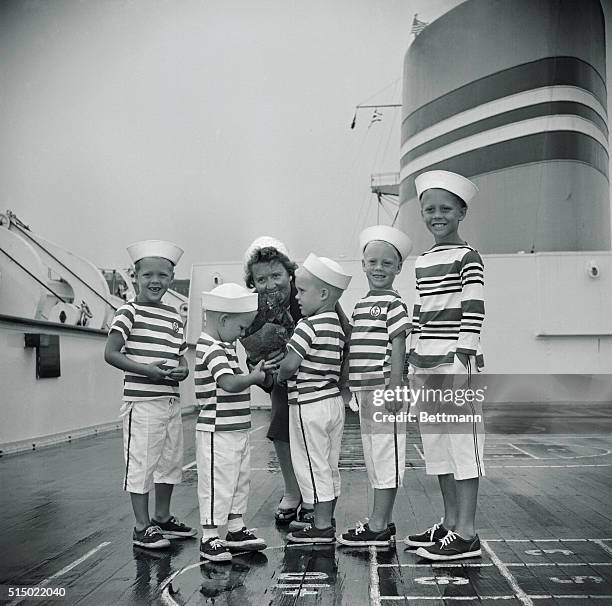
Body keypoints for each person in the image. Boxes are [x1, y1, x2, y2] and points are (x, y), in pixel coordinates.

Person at [404, 169, 485, 561]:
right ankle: (451, 524)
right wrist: (413, 359)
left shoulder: (468, 257)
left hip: (455, 363)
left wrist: (463, 353)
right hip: (426, 363)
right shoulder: (422, 261)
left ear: (461, 211)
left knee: (463, 446)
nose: (437, 215)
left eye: (446, 208)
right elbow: (421, 312)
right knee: (438, 448)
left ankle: (467, 532)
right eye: (430, 209)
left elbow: (473, 307)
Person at [104, 240, 196, 549]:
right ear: (135, 277)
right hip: (142, 404)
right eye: (148, 275)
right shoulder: (127, 312)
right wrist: (147, 371)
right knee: (141, 463)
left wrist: (182, 369)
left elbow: (180, 355)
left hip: (170, 401)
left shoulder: (173, 316)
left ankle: (162, 518)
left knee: (169, 462)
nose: (155, 281)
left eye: (162, 275)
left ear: (171, 278)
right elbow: (111, 353)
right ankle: (141, 527)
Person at [337, 226, 412, 547]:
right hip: (366, 393)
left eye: (386, 263)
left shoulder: (394, 304)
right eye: (372, 262)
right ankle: (381, 520)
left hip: (385, 390)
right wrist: (347, 385)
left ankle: (379, 524)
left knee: (385, 457)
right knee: (374, 456)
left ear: (398, 268)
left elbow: (398, 346)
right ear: (363, 264)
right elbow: (354, 347)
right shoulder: (360, 305)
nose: (378, 268)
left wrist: (396, 385)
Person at [276, 254, 351, 544]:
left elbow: (291, 364)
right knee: (329, 463)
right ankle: (325, 518)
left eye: (302, 291)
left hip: (308, 406)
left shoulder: (307, 326)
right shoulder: (336, 325)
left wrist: (281, 374)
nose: (297, 298)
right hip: (332, 402)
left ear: (323, 294)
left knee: (311, 464)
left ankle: (319, 526)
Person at [194, 283, 271, 562]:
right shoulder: (211, 348)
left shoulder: (226, 346)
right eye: (241, 328)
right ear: (224, 320)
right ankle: (210, 536)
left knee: (239, 481)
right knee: (218, 483)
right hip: (217, 431)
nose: (243, 334)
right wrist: (254, 378)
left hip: (236, 428)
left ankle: (236, 529)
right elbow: (227, 383)